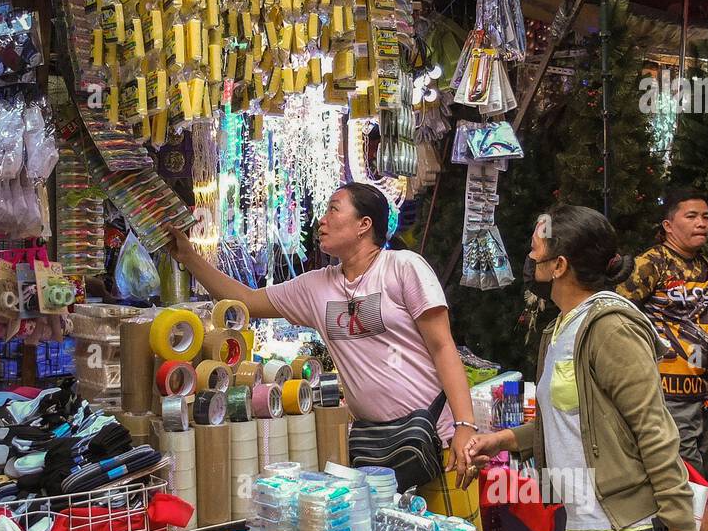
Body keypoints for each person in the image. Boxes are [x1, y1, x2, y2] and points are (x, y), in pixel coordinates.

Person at [461, 206, 708, 531]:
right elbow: (577, 420)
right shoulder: (563, 326)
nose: (530, 253)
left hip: (626, 527)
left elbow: (654, 429)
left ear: (559, 265)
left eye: (537, 244)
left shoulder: (609, 326)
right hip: (588, 521)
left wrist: (681, 526)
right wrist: (504, 440)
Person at [165, 182, 478, 477]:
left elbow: (442, 346)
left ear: (363, 225)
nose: (322, 220)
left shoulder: (403, 267)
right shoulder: (316, 286)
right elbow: (245, 300)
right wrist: (189, 257)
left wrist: (466, 424)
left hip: (435, 437)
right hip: (373, 444)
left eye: (333, 210)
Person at [616, 187, 708, 475]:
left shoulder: (706, 265)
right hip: (663, 393)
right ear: (668, 226)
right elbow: (616, 311)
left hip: (700, 391)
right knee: (684, 480)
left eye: (705, 217)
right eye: (691, 216)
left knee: (697, 476)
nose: (702, 223)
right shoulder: (652, 262)